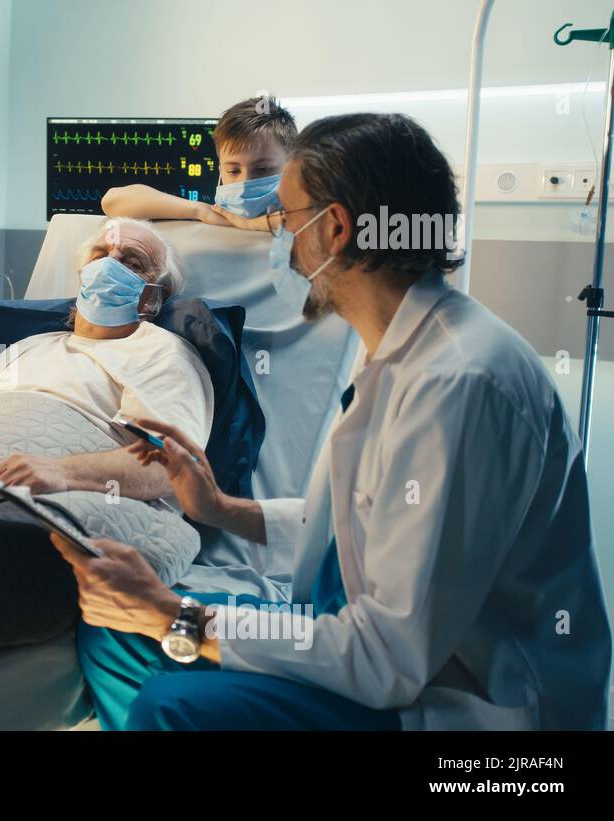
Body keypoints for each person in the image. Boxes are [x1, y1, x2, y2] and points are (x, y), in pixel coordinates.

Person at [51, 113, 612, 731]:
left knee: (170, 702)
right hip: (378, 648)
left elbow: (385, 659)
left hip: (464, 711)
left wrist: (175, 616)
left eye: (289, 221)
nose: (284, 247)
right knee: (115, 635)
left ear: (336, 229)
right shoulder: (398, 347)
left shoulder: (460, 385)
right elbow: (371, 518)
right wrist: (222, 509)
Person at [0, 217, 212, 499]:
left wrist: (62, 472)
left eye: (133, 264)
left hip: (51, 500)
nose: (108, 266)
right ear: (82, 272)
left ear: (157, 295)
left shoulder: (161, 353)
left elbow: (171, 463)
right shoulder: (26, 348)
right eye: (100, 255)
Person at [101, 96, 296, 231]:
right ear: (220, 171)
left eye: (262, 169)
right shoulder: (214, 216)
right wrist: (200, 211)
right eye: (233, 170)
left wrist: (250, 225)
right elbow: (112, 201)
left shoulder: (311, 220)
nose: (245, 182)